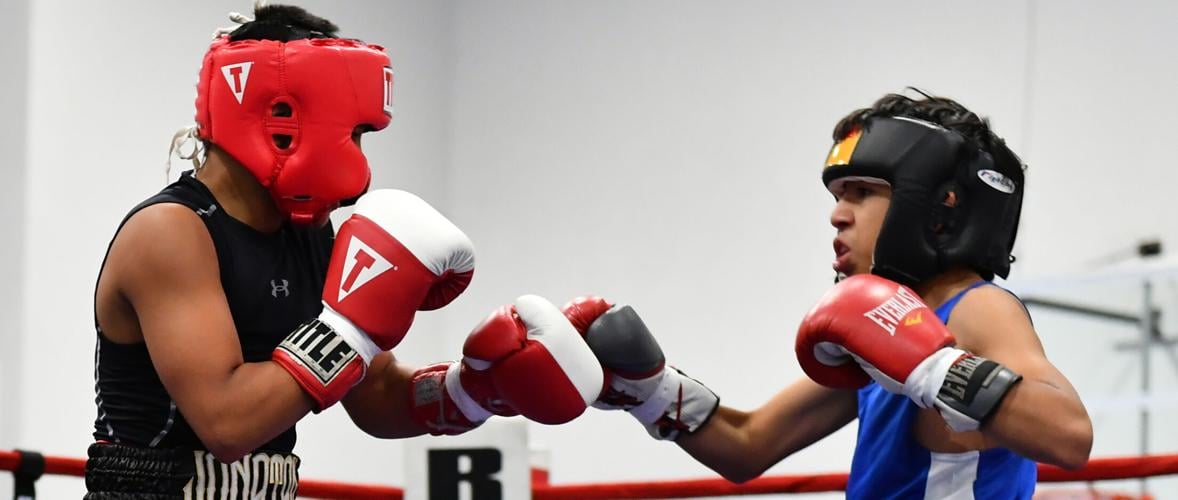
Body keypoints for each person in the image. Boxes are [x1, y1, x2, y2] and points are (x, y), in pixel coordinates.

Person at [87, 5, 603, 498]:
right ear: (281, 118)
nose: (357, 157)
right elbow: (227, 424)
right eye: (352, 133)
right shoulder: (171, 232)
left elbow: (377, 396)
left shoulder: (309, 236)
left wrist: (479, 389)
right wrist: (350, 328)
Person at [562, 91, 1094, 498]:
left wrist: (934, 369)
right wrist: (650, 390)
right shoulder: (883, 336)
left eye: (863, 193)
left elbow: (1069, 436)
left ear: (939, 206)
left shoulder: (976, 307)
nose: (838, 214)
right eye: (840, 195)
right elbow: (748, 445)